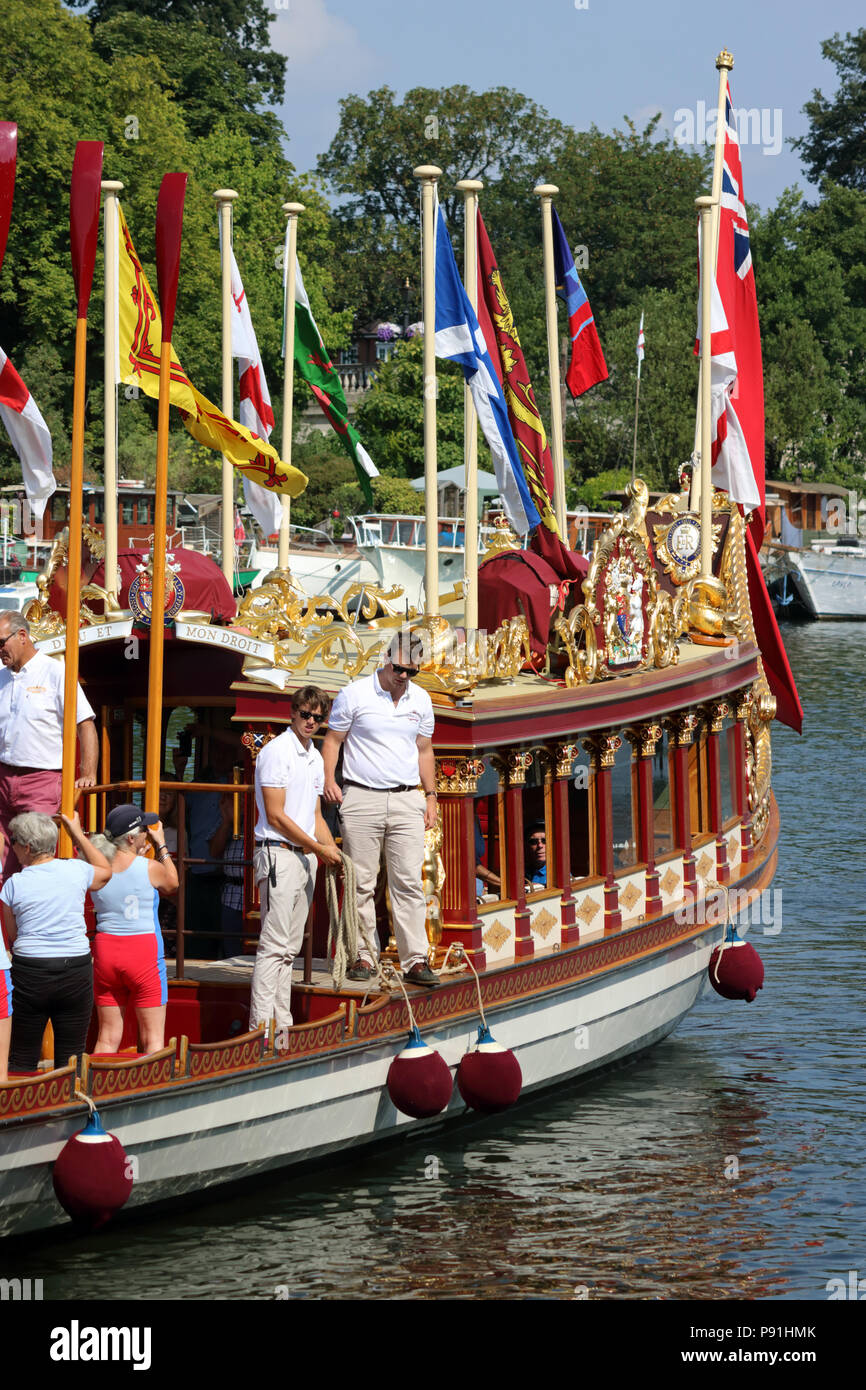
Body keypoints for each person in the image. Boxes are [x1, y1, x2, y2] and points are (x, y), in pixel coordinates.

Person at [322, 633, 440, 988]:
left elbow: (424, 750)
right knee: (360, 882)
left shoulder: (421, 699)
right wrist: (329, 779)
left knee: (408, 882)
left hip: (407, 799)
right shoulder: (354, 694)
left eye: (412, 671)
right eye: (400, 668)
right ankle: (362, 955)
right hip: (361, 797)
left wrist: (431, 796)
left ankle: (416, 960)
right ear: (386, 659)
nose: (404, 676)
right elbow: (333, 740)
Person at [249, 686, 341, 1035]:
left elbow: (314, 815)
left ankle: (281, 1029)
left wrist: (331, 849)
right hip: (278, 855)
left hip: (305, 859)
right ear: (293, 713)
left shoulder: (316, 757)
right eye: (306, 714)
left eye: (318, 718)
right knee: (273, 947)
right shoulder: (276, 752)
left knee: (290, 949)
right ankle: (260, 1031)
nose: (311, 722)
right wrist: (319, 849)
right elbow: (275, 816)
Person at [0, 811, 111, 1072]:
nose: (11, 846)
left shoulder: (13, 885)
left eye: (13, 841)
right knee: (72, 1057)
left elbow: (13, 936)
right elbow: (105, 872)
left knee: (22, 1056)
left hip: (31, 973)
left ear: (27, 847)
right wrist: (76, 832)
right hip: (75, 970)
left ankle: (21, 1108)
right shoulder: (76, 869)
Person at [0, 610, 98, 879]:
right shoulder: (2, 678)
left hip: (41, 780)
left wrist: (88, 773)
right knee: (6, 867)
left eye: (0, 643)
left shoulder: (55, 672)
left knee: (36, 858)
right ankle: (11, 921)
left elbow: (85, 723)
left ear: (22, 636)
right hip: (3, 779)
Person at [89, 804, 178, 1056]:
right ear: (131, 837)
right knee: (153, 1040)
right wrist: (160, 844)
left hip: (106, 951)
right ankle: (151, 1090)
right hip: (143, 952)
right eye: (143, 830)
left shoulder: (98, 869)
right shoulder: (147, 868)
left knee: (106, 1038)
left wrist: (138, 852)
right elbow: (173, 883)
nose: (147, 833)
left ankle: (97, 1090)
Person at [208, 792, 245, 959]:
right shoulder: (226, 823)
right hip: (232, 893)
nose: (241, 802)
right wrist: (227, 822)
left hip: (258, 893)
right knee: (231, 948)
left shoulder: (262, 821)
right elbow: (214, 851)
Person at [525, 822, 548, 890]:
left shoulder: (559, 875)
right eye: (533, 842)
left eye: (545, 840)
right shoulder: (523, 872)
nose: (540, 845)